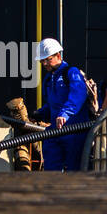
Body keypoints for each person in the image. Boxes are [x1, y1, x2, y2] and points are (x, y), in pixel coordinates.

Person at [33, 38, 91, 172]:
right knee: (51, 169)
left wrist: (64, 114)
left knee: (74, 171)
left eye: (48, 60)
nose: (45, 64)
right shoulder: (49, 78)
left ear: (58, 56)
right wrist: (40, 114)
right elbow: (51, 104)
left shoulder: (72, 72)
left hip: (74, 131)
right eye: (42, 61)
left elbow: (78, 95)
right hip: (55, 131)